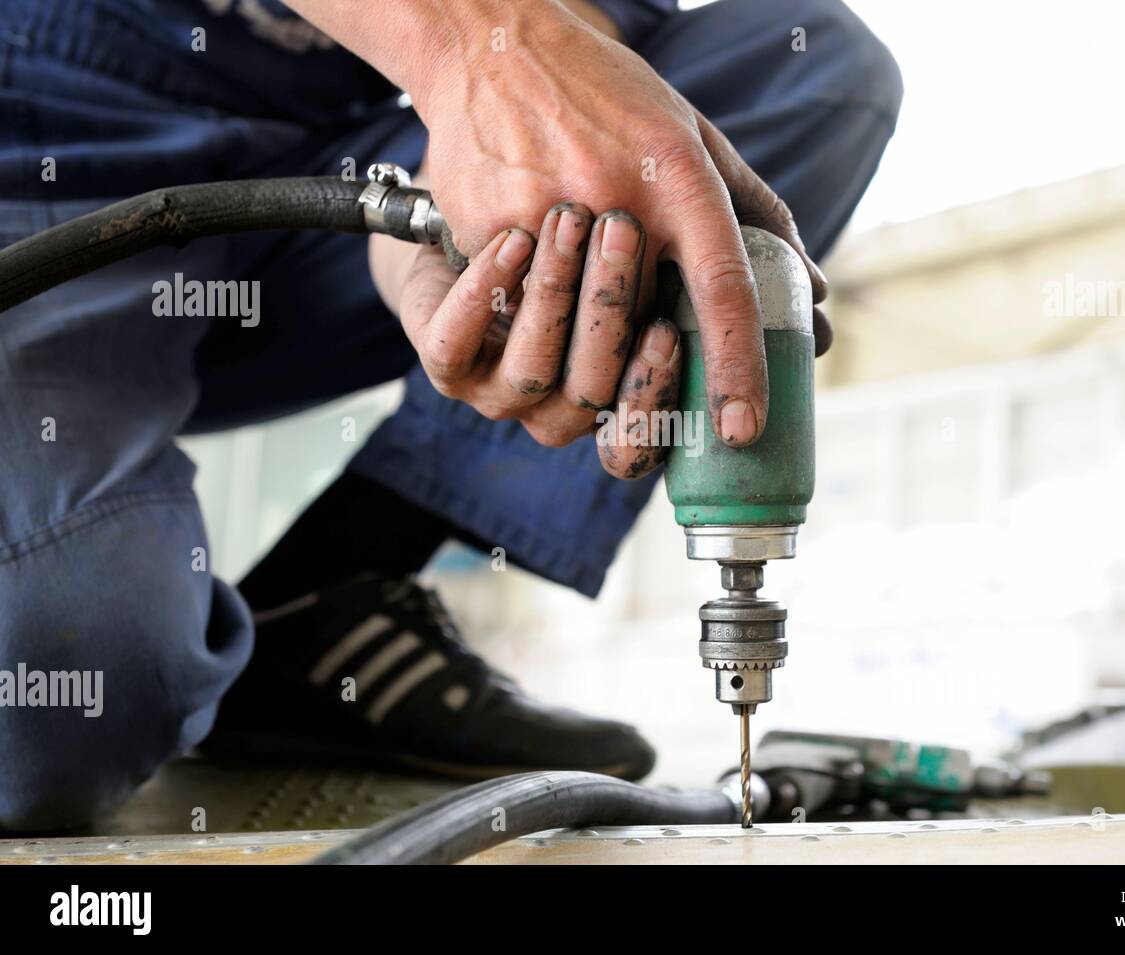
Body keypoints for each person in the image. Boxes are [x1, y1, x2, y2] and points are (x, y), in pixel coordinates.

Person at [0, 0, 901, 830]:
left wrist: (466, 239)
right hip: (37, 152)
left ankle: (328, 598)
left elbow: (554, 90)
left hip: (324, 172)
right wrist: (470, 47)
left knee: (812, 71)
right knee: (53, 707)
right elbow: (497, 55)